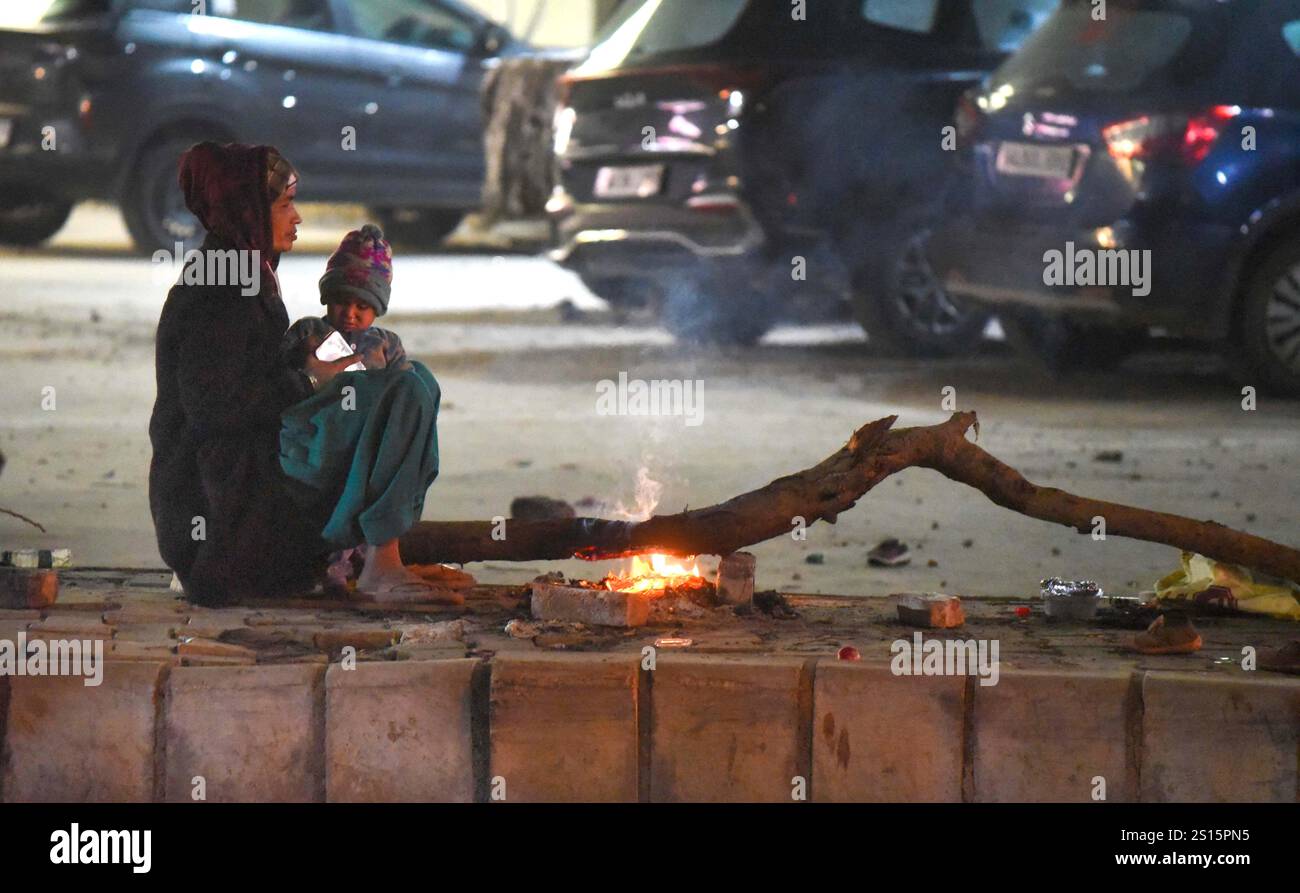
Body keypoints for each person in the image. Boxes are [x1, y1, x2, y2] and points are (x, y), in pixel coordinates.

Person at [148, 141, 457, 606]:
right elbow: (216, 410)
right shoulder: (218, 288)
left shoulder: (241, 272)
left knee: (412, 382)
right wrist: (312, 380)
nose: (297, 218)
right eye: (286, 204)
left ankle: (374, 553)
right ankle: (381, 562)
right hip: (222, 521)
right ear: (248, 210)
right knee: (404, 394)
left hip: (243, 488)